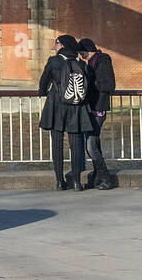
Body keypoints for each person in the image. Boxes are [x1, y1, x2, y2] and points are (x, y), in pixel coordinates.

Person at [38, 34, 94, 191]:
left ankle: (59, 181)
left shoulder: (54, 61)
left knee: (57, 143)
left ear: (62, 45)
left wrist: (44, 92)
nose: (54, 46)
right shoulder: (81, 63)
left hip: (56, 105)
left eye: (56, 43)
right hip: (77, 106)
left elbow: (43, 82)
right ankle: (76, 182)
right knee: (76, 144)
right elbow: (87, 84)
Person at [78, 37, 117, 190]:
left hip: (98, 108)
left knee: (91, 144)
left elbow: (109, 84)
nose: (80, 55)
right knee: (94, 144)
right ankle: (97, 177)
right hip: (92, 108)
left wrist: (89, 84)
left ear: (87, 49)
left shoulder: (102, 60)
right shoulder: (92, 62)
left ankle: (105, 177)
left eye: (81, 52)